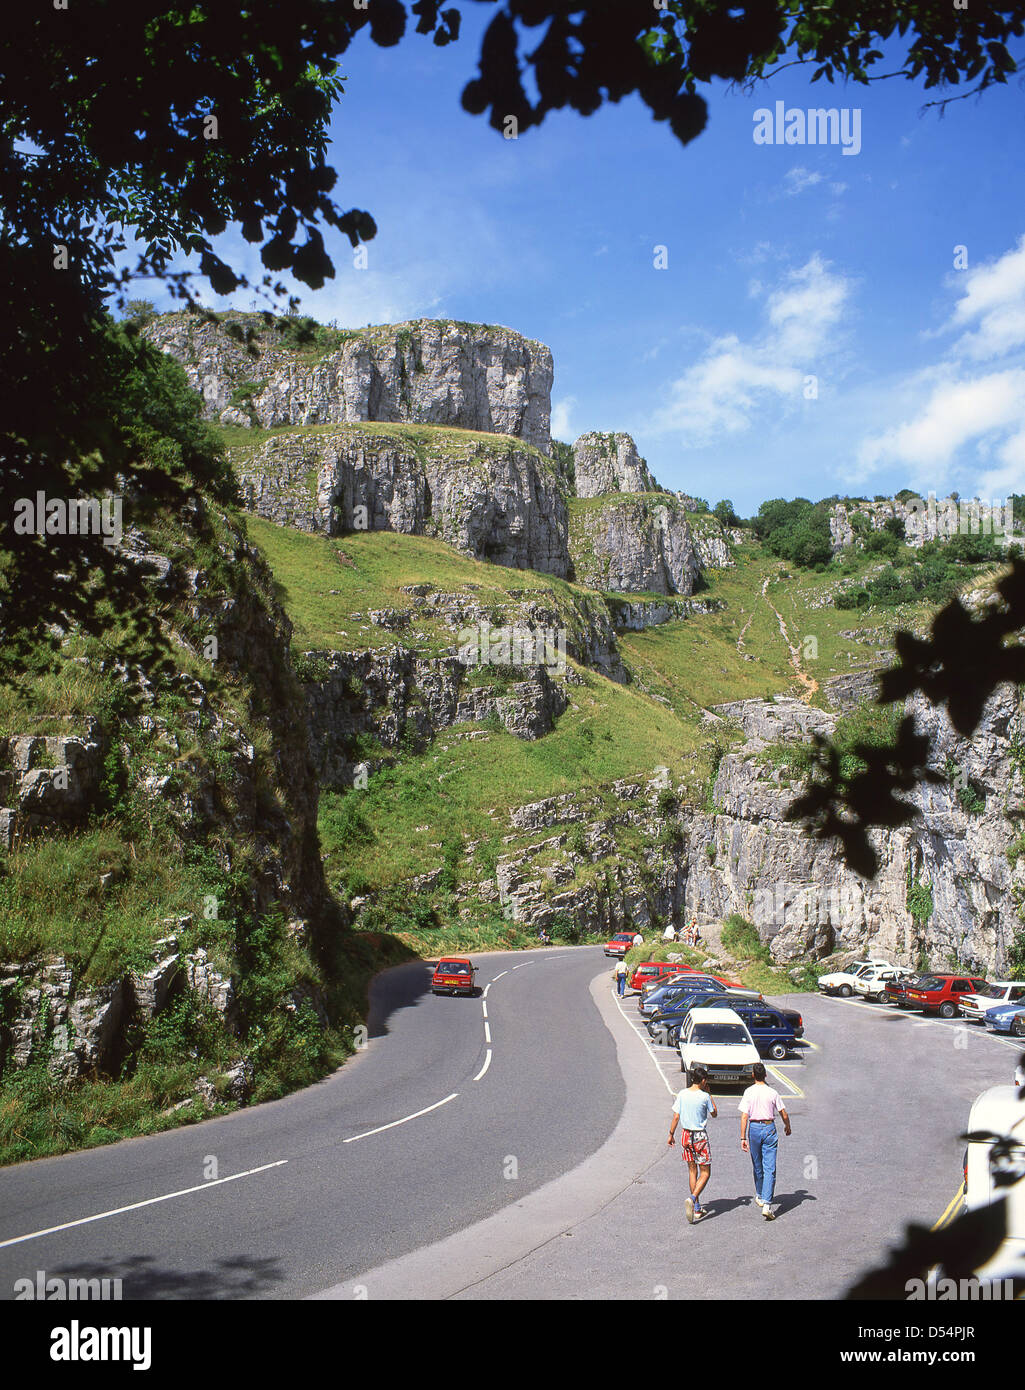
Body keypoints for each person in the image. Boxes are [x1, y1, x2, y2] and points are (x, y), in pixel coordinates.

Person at [739, 1062, 791, 1220]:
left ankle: (760, 1195)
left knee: (757, 1164)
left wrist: (742, 1137)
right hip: (769, 1128)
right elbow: (783, 1113)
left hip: (754, 1128)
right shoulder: (772, 1092)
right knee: (770, 1167)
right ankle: (767, 1203)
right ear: (766, 1075)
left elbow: (744, 1116)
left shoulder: (749, 1092)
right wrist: (787, 1126)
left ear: (753, 1075)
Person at [668, 1065, 718, 1223]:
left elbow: (676, 1116)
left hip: (685, 1134)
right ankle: (693, 1198)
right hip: (699, 1136)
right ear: (703, 1081)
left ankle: (696, 1208)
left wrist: (671, 1134)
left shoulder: (682, 1094)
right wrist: (710, 1094)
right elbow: (714, 1113)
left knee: (692, 1170)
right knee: (705, 1172)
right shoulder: (705, 1096)